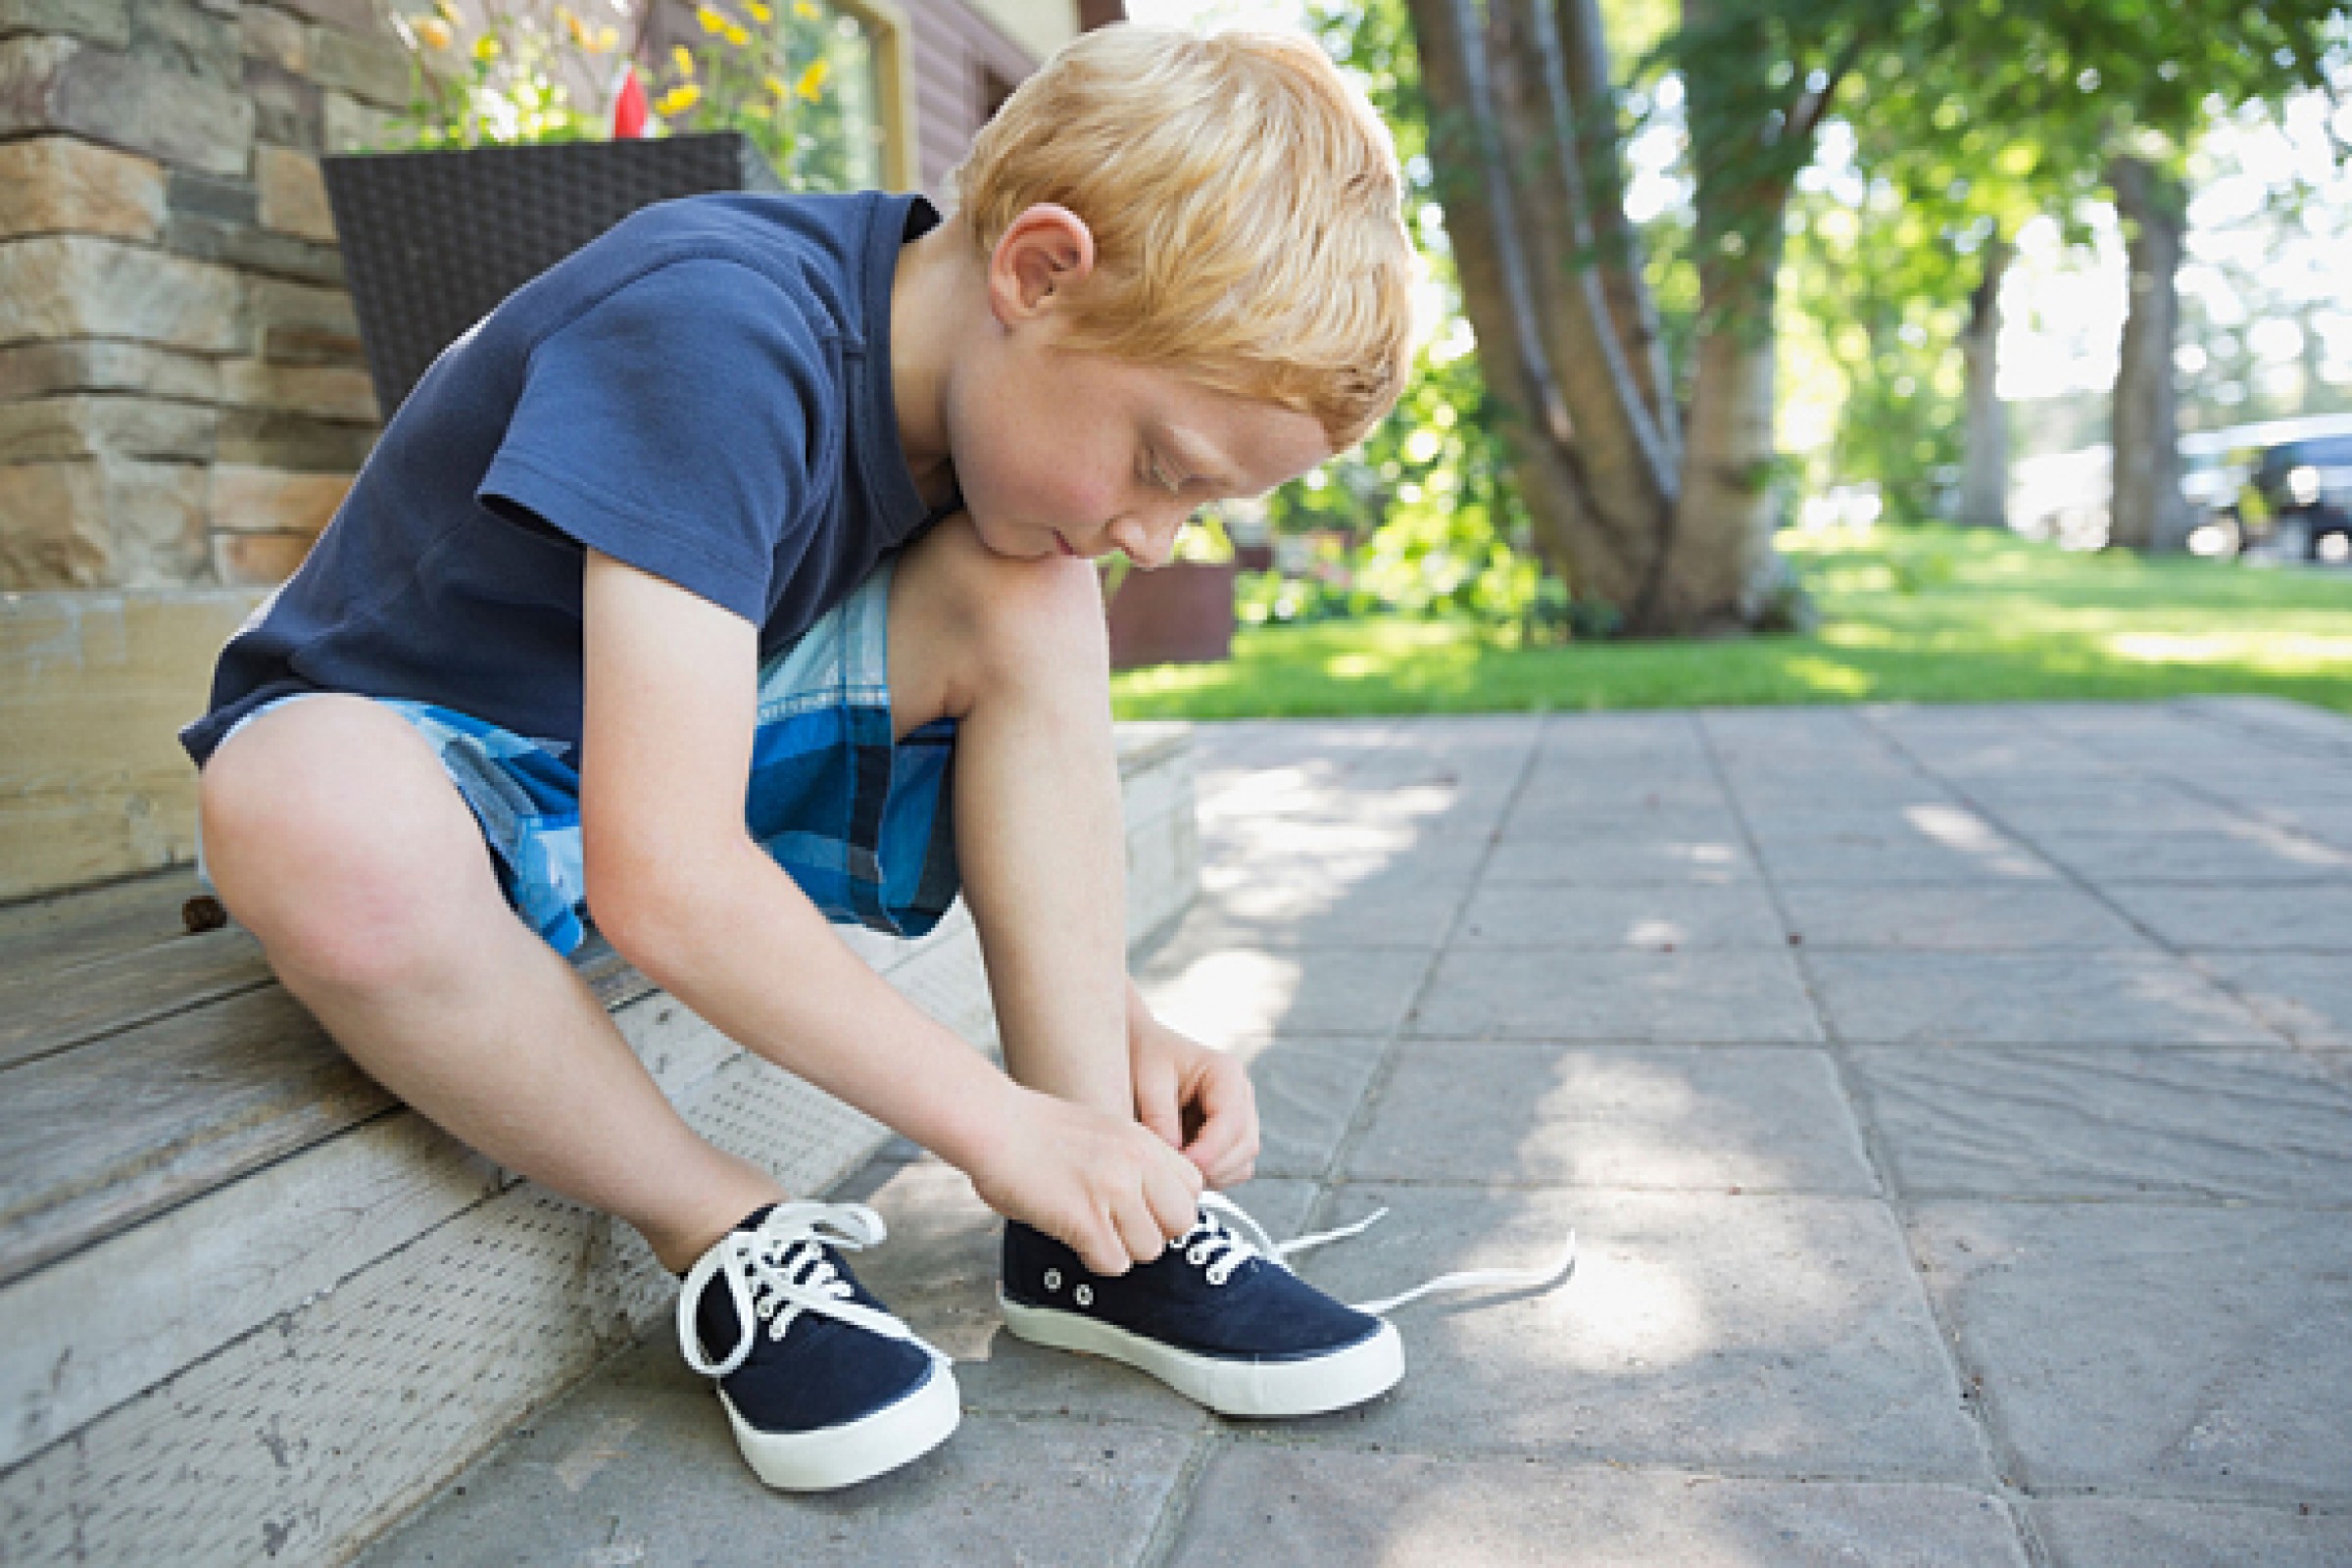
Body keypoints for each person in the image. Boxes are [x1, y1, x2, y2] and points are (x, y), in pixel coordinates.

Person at [185, 23, 1417, 1492]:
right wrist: (991, 1126)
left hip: (650, 769)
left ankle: (1101, 1237)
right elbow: (669, 876)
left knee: (1029, 583)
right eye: (1161, 465)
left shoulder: (974, 405)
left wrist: (1106, 1021)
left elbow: (799, 758)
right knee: (296, 807)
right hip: (443, 771)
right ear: (1036, 269)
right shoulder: (718, 330)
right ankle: (726, 1231)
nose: (1155, 535)